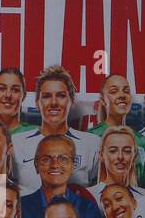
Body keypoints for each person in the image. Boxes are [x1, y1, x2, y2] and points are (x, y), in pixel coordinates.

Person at [11, 65, 100, 193]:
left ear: (72, 101)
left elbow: (97, 192)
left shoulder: (91, 143)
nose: (54, 102)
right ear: (37, 102)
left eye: (61, 96)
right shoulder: (16, 143)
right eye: (47, 96)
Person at [18, 135, 105, 218]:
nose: (55, 165)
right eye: (46, 159)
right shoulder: (20, 207)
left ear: (72, 165)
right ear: (36, 165)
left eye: (63, 159)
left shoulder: (87, 207)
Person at [88, 75, 145, 188]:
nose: (122, 95)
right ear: (103, 99)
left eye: (126, 91)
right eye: (114, 91)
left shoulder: (141, 140)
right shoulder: (89, 136)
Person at [87, 125, 145, 218]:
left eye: (127, 151)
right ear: (101, 155)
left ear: (135, 156)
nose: (120, 157)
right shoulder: (88, 196)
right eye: (113, 151)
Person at [0, 68, 37, 135]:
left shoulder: (34, 133)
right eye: (2, 89)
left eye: (15, 90)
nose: (8, 95)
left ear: (24, 96)